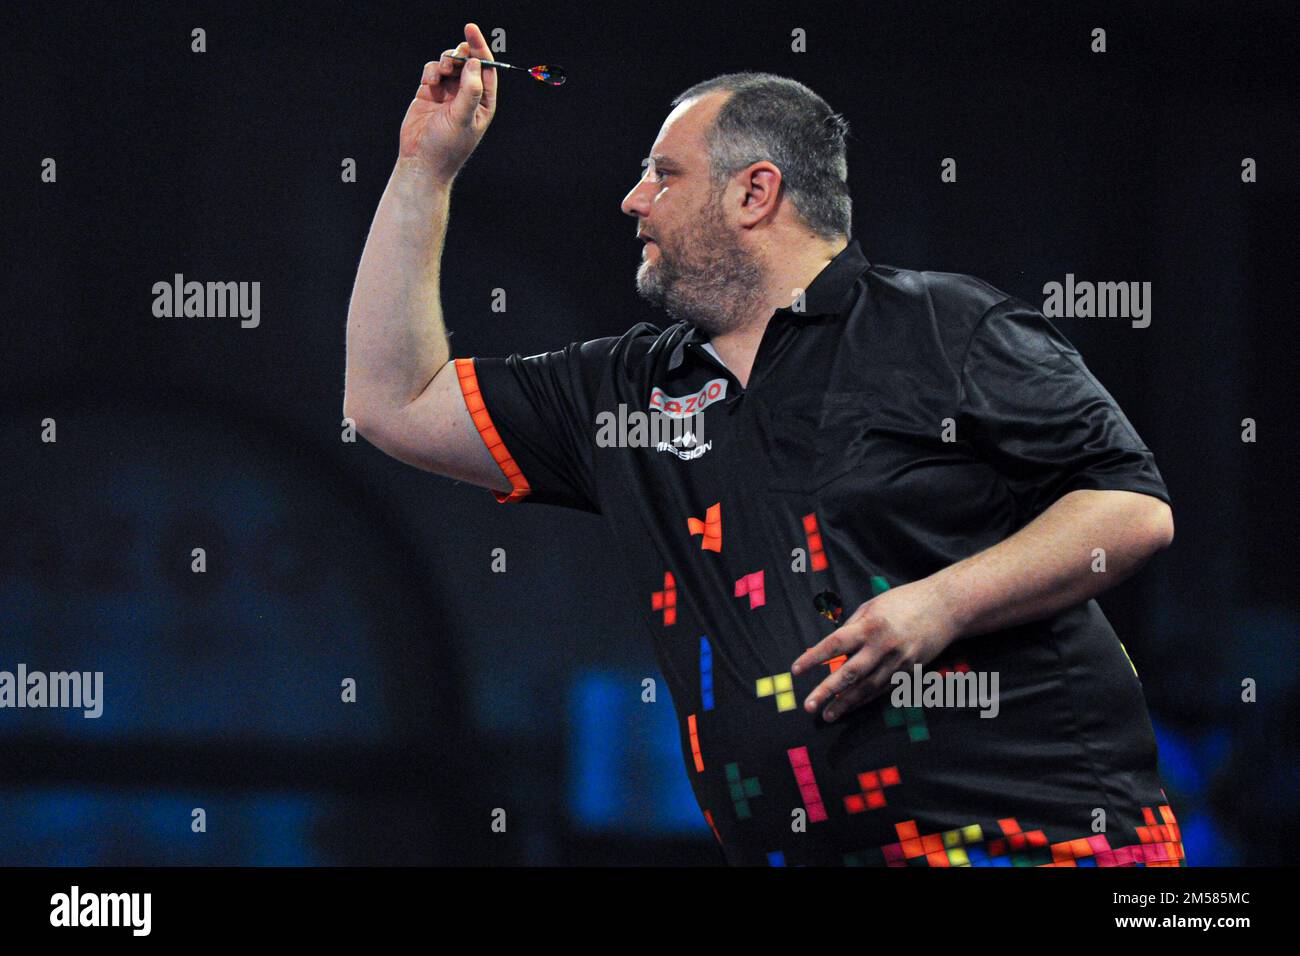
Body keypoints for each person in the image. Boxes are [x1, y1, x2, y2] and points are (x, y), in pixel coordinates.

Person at [343, 22, 1185, 867]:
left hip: (1049, 848)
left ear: (756, 193)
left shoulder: (945, 325)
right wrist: (425, 168)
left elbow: (1131, 507)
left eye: (662, 175)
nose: (633, 199)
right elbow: (393, 402)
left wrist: (943, 602)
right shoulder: (626, 392)